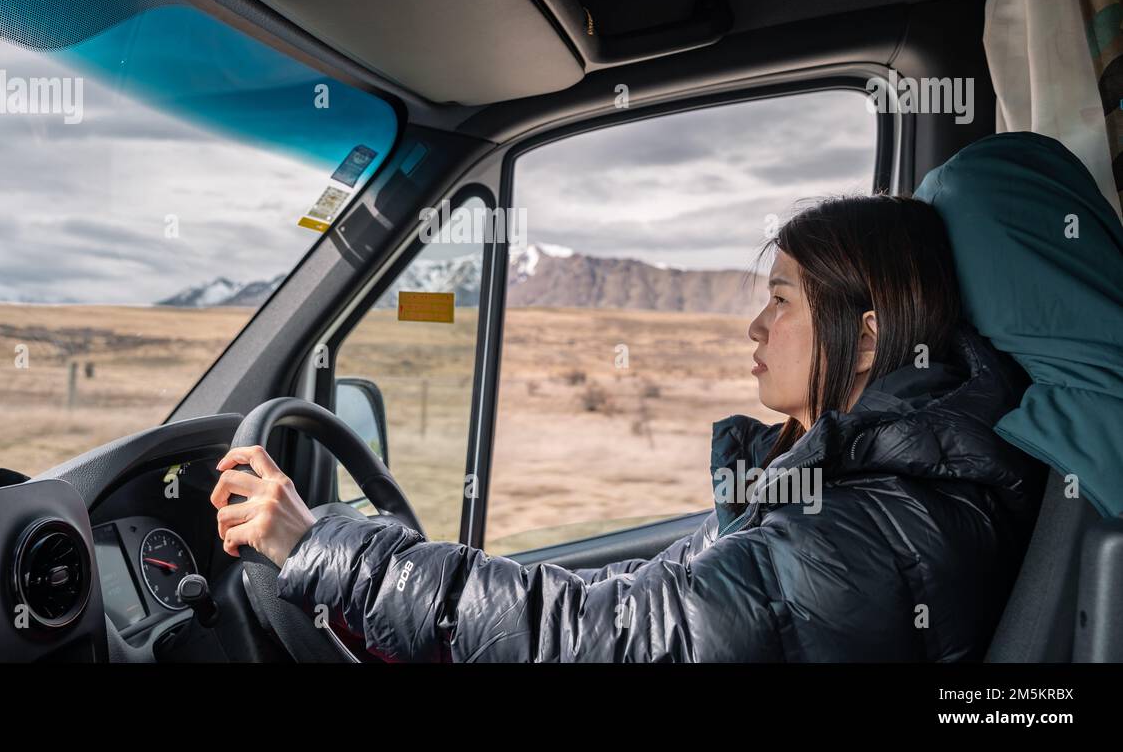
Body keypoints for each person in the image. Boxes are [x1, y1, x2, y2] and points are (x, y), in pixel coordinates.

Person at [210, 194, 1044, 661]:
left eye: (782, 299)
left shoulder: (867, 527)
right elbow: (659, 594)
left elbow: (602, 639)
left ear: (865, 333)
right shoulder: (853, 487)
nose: (755, 327)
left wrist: (329, 549)